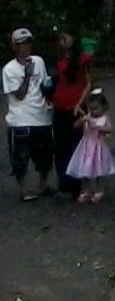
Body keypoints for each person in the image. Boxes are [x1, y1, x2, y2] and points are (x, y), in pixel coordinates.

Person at [3, 28, 53, 201]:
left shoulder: (38, 61)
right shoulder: (9, 69)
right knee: (20, 157)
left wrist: (50, 98)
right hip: (21, 119)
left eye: (28, 43)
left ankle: (43, 184)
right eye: (22, 44)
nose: (27, 47)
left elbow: (44, 83)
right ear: (15, 47)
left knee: (45, 155)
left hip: (41, 115)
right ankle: (22, 189)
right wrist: (27, 75)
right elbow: (18, 94)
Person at [52, 30, 93, 199]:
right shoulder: (58, 58)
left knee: (75, 146)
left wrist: (80, 103)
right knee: (60, 146)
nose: (63, 40)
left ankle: (76, 185)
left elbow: (89, 83)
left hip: (75, 107)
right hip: (60, 105)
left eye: (66, 36)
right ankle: (63, 184)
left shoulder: (84, 58)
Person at [65, 88, 115, 203]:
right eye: (91, 109)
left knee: (99, 169)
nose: (93, 111)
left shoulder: (104, 118)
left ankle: (99, 190)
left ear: (103, 107)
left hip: (98, 147)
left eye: (96, 109)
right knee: (85, 169)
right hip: (86, 146)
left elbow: (110, 129)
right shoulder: (88, 117)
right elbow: (75, 125)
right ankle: (86, 190)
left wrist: (99, 128)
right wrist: (83, 120)